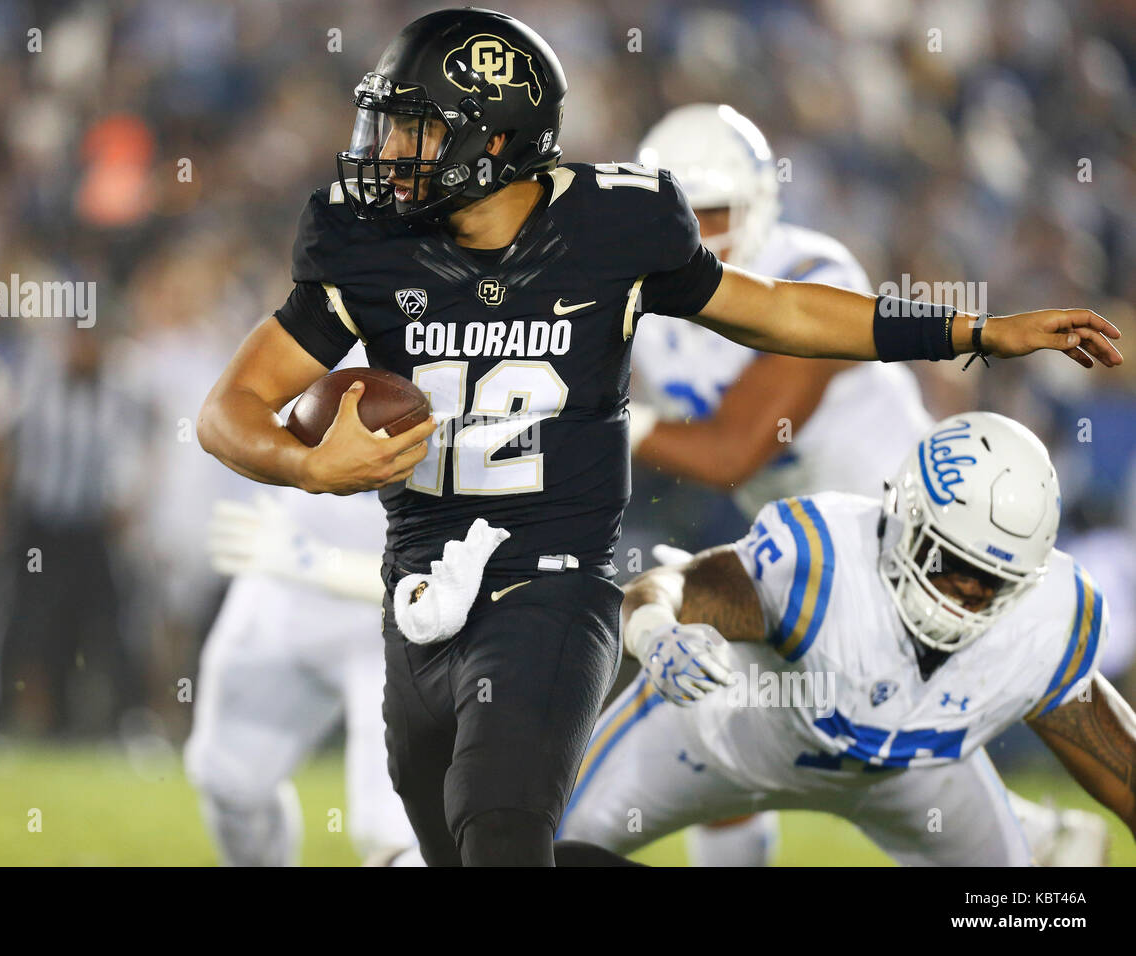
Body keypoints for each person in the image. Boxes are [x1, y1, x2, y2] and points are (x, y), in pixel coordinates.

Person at [197, 9, 1120, 866]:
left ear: (495, 140)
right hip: (425, 593)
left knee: (507, 830)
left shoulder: (615, 226)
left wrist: (973, 331)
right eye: (389, 123)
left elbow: (779, 314)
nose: (389, 149)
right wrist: (304, 462)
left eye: (418, 128)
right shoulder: (364, 241)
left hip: (557, 585)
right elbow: (229, 408)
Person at [628, 103, 1106, 866]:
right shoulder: (646, 300)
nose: (695, 231)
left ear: (759, 202)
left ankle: (1031, 851)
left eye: (713, 209)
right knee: (720, 706)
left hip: (902, 544)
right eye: (676, 209)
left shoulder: (813, 274)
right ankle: (1037, 841)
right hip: (796, 548)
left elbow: (730, 452)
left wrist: (595, 418)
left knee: (892, 748)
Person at [558, 413, 1136, 865]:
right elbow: (672, 587)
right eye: (947, 562)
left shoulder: (1049, 619)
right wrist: (657, 633)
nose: (965, 591)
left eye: (992, 582)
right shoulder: (822, 557)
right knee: (527, 851)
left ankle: (1043, 841)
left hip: (909, 774)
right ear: (905, 520)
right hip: (715, 735)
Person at [185, 348, 417, 867]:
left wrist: (322, 562)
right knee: (230, 782)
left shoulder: (500, 337)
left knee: (395, 834)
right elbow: (223, 413)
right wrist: (290, 462)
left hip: (403, 616)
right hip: (287, 581)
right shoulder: (328, 310)